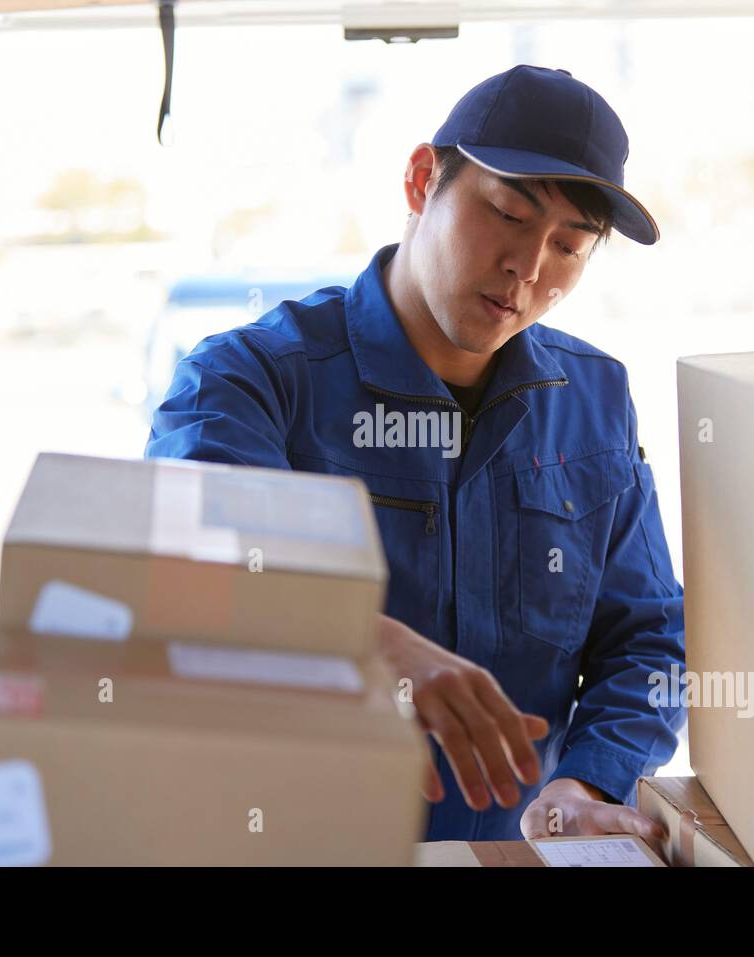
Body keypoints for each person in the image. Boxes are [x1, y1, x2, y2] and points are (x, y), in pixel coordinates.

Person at [146, 64, 685, 845]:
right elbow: (187, 570)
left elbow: (646, 636)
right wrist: (366, 638)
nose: (529, 270)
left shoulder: (594, 400)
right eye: (507, 213)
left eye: (570, 246)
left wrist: (585, 779)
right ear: (422, 178)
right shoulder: (250, 379)